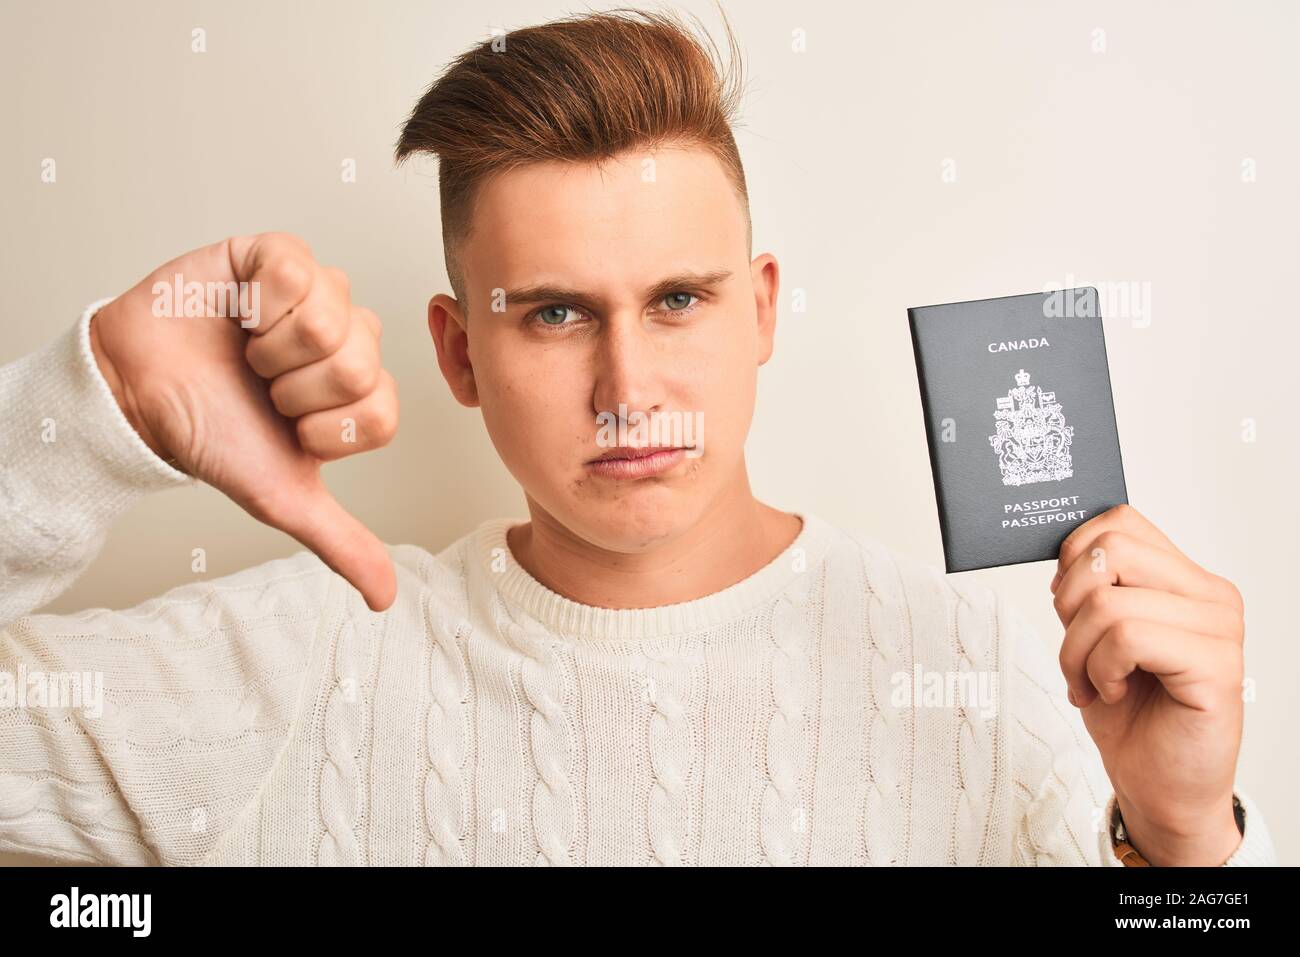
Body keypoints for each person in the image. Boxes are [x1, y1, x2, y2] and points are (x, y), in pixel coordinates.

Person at [0, 8, 1274, 866]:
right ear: (457, 352)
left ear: (760, 308)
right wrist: (86, 410)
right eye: (554, 314)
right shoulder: (297, 666)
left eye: (678, 300)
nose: (627, 387)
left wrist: (1182, 840)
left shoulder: (999, 681)